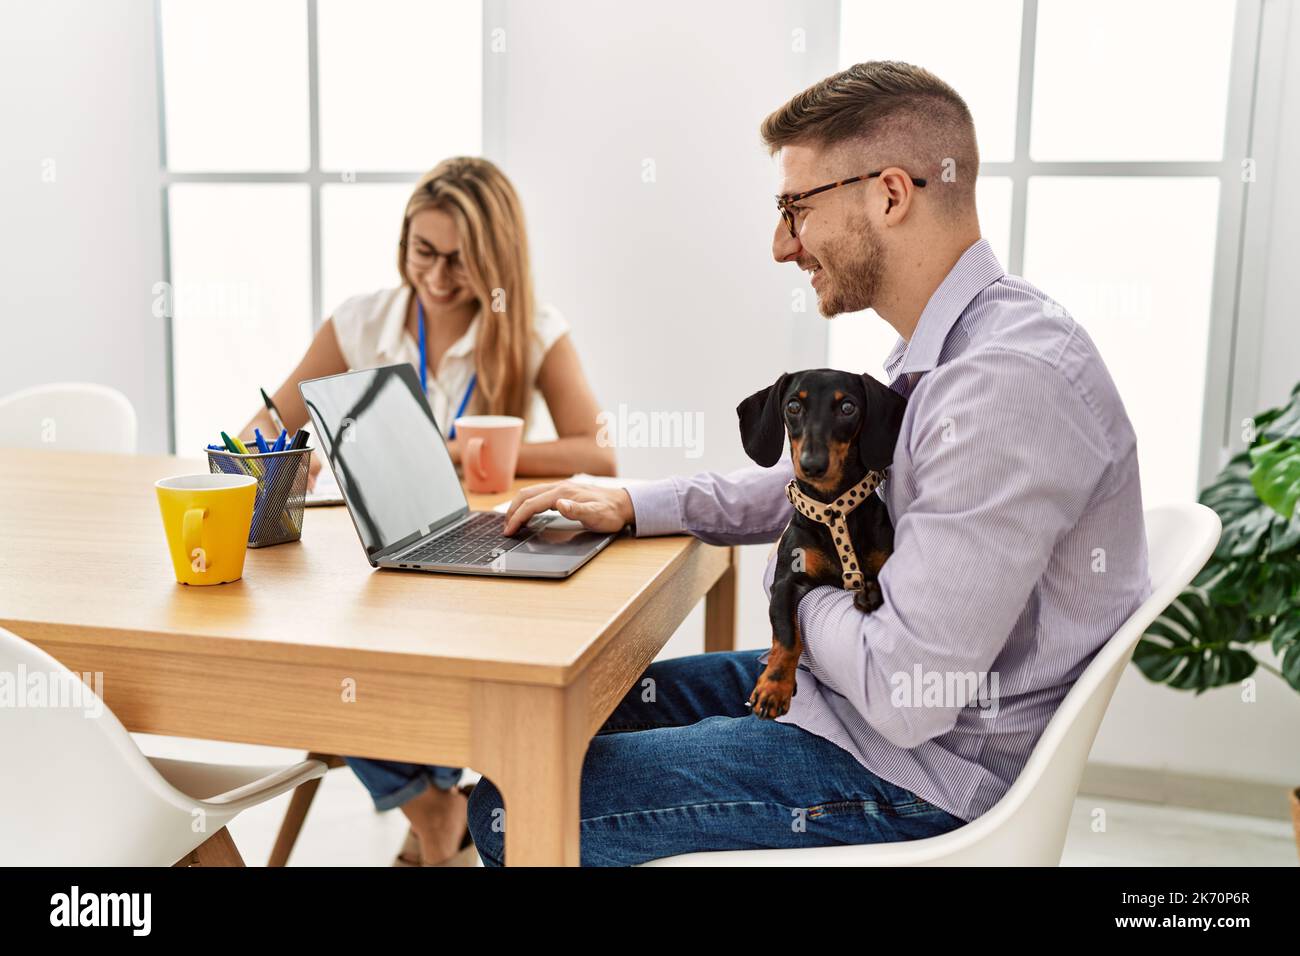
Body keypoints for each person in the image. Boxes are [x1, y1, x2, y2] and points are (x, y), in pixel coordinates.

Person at [475, 60, 1150, 866]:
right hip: (845, 704)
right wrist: (637, 502)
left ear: (890, 195)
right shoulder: (958, 349)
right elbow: (830, 487)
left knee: (514, 806)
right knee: (545, 731)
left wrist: (790, 580)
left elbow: (903, 696)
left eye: (796, 208)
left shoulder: (1004, 384)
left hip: (912, 770)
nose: (780, 245)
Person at [241, 156, 616, 866]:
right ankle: (435, 806)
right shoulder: (361, 320)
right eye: (424, 253)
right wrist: (276, 457)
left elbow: (598, 458)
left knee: (427, 656)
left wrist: (453, 449)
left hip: (474, 555)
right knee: (314, 648)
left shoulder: (531, 326)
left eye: (460, 261)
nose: (438, 279)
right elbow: (264, 423)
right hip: (379, 555)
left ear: (496, 258)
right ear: (402, 244)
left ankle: (434, 810)